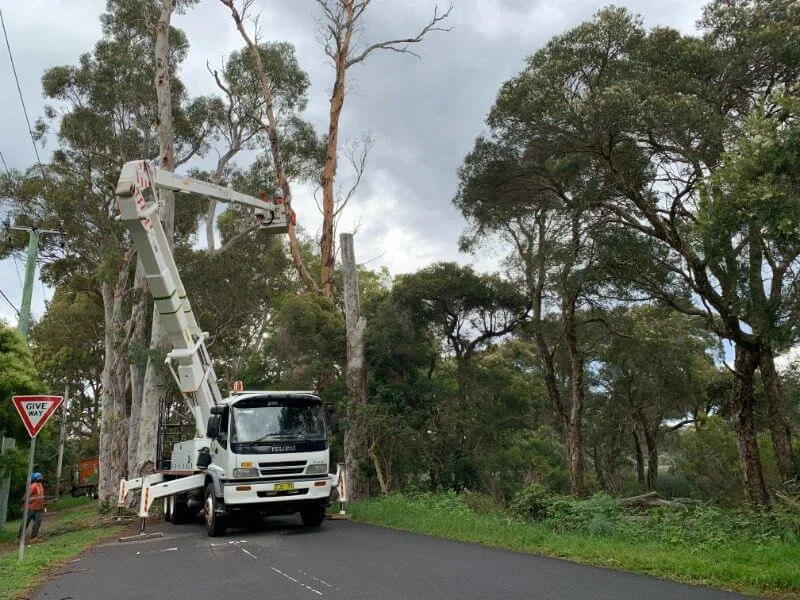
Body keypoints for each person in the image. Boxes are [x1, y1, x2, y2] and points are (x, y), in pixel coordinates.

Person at [18, 472, 45, 542]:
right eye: (40, 476)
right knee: (26, 522)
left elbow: (40, 496)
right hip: (30, 508)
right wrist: (23, 504)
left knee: (38, 521)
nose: (42, 477)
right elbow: (26, 496)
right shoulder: (33, 485)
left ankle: (33, 538)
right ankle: (20, 538)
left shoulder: (40, 485)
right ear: (37, 477)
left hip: (38, 508)